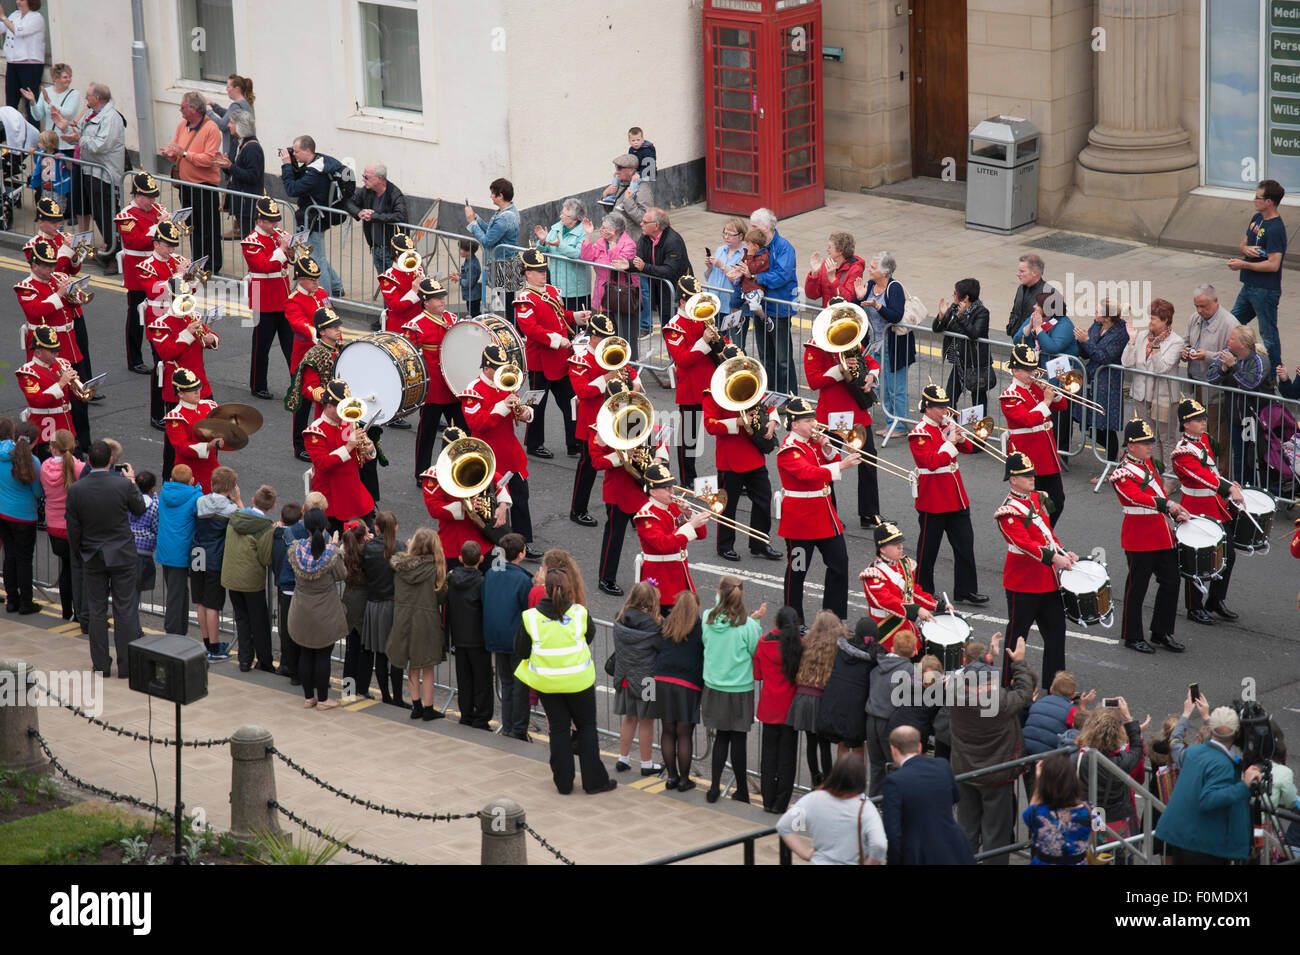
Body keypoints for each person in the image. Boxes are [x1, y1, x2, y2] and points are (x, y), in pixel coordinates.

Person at [514, 566, 616, 795]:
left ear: (545, 589)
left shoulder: (530, 617)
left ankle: (564, 783)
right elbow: (589, 636)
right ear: (568, 588)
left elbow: (520, 650)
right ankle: (594, 782)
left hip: (547, 683)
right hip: (579, 681)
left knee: (558, 729)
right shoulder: (579, 613)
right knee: (587, 728)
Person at [996, 451, 1077, 691]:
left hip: (1047, 581)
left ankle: (1056, 688)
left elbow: (1047, 535)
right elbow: (1025, 544)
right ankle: (1009, 688)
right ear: (1013, 479)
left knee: (1056, 635)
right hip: (1023, 584)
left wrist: (1063, 551)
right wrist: (1055, 558)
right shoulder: (1008, 512)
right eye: (1025, 475)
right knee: (1017, 637)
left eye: (1031, 473)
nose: (1032, 478)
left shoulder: (1035, 500)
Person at [776, 396, 861, 625]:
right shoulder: (788, 450)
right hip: (800, 521)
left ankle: (833, 619)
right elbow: (808, 474)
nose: (814, 423)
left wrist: (827, 448)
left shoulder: (812, 442)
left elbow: (825, 462)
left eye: (813, 418)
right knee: (797, 572)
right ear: (794, 424)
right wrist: (841, 465)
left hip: (824, 515)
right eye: (808, 420)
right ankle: (793, 622)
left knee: (839, 563)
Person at [1110, 417, 1190, 654]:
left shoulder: (1148, 465)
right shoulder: (1122, 473)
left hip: (1160, 533)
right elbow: (1138, 498)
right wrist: (1168, 505)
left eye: (1150, 442)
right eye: (1145, 443)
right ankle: (1132, 635)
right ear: (1131, 446)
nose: (1150, 446)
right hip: (1139, 536)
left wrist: (1173, 513)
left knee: (1171, 581)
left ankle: (1161, 631)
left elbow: (1155, 496)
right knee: (1137, 587)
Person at [65, 440, 145, 677]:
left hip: (93, 555)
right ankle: (127, 667)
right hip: (122, 553)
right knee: (126, 610)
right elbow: (139, 509)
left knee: (97, 611)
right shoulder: (123, 485)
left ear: (89, 461)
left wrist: (80, 553)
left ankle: (101, 665)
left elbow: (73, 528)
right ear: (112, 461)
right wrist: (131, 481)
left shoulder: (76, 489)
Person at [949, 634, 1030, 864]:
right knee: (996, 837)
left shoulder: (954, 694)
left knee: (966, 831)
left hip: (965, 771)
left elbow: (968, 675)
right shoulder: (1001, 703)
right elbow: (1024, 692)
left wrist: (987, 658)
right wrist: (1019, 662)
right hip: (996, 775)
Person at [803, 298, 880, 530]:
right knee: (830, 464)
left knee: (868, 462)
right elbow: (814, 381)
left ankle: (869, 513)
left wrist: (871, 376)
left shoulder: (851, 339)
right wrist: (838, 370)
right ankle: (829, 512)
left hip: (857, 414)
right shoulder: (815, 346)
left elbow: (870, 361)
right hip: (832, 415)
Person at [908, 384, 987, 604]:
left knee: (965, 544)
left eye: (945, 406)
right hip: (933, 497)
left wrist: (960, 438)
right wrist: (950, 441)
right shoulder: (919, 433)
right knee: (928, 549)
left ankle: (965, 590)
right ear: (927, 408)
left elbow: (971, 449)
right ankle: (922, 588)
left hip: (956, 495)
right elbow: (930, 463)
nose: (945, 411)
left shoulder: (946, 426)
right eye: (940, 407)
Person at [702, 344, 781, 560]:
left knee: (763, 500)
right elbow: (710, 425)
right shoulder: (713, 393)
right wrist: (736, 422)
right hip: (730, 457)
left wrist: (773, 421)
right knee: (728, 505)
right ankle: (725, 545)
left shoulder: (750, 382)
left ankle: (759, 543)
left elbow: (769, 405)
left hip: (754, 454)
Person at [1156, 705, 1262, 864]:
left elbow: (1178, 743)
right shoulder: (1222, 764)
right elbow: (1208, 799)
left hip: (1180, 838)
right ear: (1238, 734)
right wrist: (1244, 786)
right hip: (1203, 847)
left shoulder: (1192, 752)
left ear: (1211, 732)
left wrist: (1206, 718)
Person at [1172, 397, 1242, 626]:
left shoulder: (1203, 440)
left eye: (1203, 417)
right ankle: (1194, 606)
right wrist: (1227, 487)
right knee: (1197, 560)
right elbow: (1202, 477)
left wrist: (1227, 483)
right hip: (1193, 508)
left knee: (1228, 554)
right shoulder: (1182, 452)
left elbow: (1211, 470)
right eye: (1197, 419)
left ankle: (1215, 599)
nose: (1203, 421)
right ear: (1185, 424)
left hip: (1213, 505)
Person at [462, 344, 537, 555]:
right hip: (488, 457)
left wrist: (526, 413)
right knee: (494, 505)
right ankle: (500, 546)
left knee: (521, 499)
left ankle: (524, 543)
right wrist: (504, 406)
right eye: (497, 368)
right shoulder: (472, 391)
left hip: (510, 454)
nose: (502, 372)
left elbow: (518, 410)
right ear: (487, 368)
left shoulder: (504, 382)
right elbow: (477, 422)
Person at [515, 248, 589, 459]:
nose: (543, 273)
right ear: (528, 273)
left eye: (544, 270)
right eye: (538, 271)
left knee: (571, 401)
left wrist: (577, 316)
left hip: (560, 358)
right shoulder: (524, 299)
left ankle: (574, 442)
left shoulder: (552, 291)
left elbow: (561, 316)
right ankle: (534, 443)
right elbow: (531, 329)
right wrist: (557, 340)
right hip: (541, 360)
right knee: (537, 404)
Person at [701, 575, 766, 803]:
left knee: (721, 738)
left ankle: (714, 788)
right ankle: (742, 790)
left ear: (720, 594)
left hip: (714, 686)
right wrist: (756, 621)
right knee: (738, 741)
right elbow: (753, 651)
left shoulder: (707, 619)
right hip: (739, 688)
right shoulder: (748, 626)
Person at [882, 725, 976, 865]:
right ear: (919, 747)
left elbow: (893, 832)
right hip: (953, 848)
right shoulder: (942, 766)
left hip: (919, 854)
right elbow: (955, 796)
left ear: (893, 750)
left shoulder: (894, 782)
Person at [403, 278, 466, 477]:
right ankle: (422, 472)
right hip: (433, 386)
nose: (442, 301)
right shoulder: (415, 326)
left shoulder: (452, 318)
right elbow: (411, 360)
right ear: (426, 302)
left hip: (452, 384)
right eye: (437, 298)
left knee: (463, 430)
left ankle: (456, 468)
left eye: (442, 297)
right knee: (427, 432)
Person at [664, 274, 723, 487]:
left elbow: (717, 348)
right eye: (693, 299)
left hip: (713, 384)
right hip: (691, 388)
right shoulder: (674, 327)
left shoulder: (702, 317)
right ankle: (688, 479)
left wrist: (718, 341)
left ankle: (731, 475)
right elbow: (683, 359)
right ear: (682, 301)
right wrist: (704, 341)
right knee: (690, 438)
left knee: (726, 430)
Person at [777, 754, 887, 865]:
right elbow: (879, 845)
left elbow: (784, 826)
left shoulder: (813, 799)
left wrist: (804, 853)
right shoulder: (865, 807)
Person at [1001, 342, 1069, 522]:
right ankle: (1034, 541)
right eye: (1027, 370)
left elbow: (1062, 406)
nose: (1033, 374)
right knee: (1032, 505)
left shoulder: (1034, 387)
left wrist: (1053, 391)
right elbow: (1029, 420)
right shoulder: (1010, 395)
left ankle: (1045, 537)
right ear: (1015, 371)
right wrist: (1046, 401)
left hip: (1047, 455)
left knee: (1057, 501)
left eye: (1033, 369)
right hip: (1029, 455)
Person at [731, 208, 796, 394]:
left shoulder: (784, 247)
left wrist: (756, 277)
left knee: (783, 358)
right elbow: (745, 273)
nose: (750, 230)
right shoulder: (754, 247)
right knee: (765, 355)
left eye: (754, 226)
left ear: (767, 228)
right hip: (761, 309)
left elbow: (782, 276)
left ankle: (789, 397)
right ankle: (771, 395)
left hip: (778, 308)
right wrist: (738, 275)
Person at [386, 527, 449, 721]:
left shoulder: (401, 568)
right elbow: (441, 597)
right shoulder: (434, 569)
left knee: (411, 665)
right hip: (426, 621)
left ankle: (416, 706)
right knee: (427, 666)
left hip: (403, 619)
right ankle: (429, 708)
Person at [57, 83, 125, 259]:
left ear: (97, 98)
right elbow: (79, 134)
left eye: (88, 95)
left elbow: (100, 145)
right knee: (98, 214)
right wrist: (65, 129)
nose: (86, 98)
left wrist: (80, 139)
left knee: (107, 214)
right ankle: (110, 249)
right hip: (91, 171)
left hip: (105, 175)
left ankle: (115, 252)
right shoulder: (91, 113)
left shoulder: (111, 118)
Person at [288, 508, 345, 710]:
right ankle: (323, 699)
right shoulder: (331, 553)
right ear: (325, 526)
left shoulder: (296, 550)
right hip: (325, 611)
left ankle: (308, 697)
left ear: (306, 527)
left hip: (301, 609)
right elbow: (341, 574)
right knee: (323, 655)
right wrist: (335, 546)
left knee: (305, 652)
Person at [159, 92, 223, 274]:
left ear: (194, 109)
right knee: (192, 226)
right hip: (186, 185)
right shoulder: (182, 125)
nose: (180, 110)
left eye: (183, 107)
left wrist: (185, 154)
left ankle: (211, 265)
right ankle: (198, 261)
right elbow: (176, 148)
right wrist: (171, 154)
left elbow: (209, 159)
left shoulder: (211, 128)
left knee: (208, 227)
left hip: (204, 186)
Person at [632, 462, 708, 615]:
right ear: (653, 492)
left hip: (680, 574)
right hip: (661, 580)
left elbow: (702, 535)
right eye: (667, 489)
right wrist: (690, 525)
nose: (672, 492)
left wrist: (688, 514)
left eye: (672, 487)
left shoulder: (672, 505)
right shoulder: (646, 515)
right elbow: (662, 544)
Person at [853, 252, 914, 438]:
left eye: (873, 267)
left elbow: (896, 315)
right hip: (875, 345)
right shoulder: (871, 285)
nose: (869, 270)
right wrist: (859, 298)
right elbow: (858, 308)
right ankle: (890, 423)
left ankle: (901, 425)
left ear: (885, 271)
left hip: (894, 346)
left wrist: (878, 306)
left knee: (896, 387)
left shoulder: (894, 288)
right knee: (882, 385)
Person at [1227, 178, 1286, 370]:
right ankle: (1232, 362)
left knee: (1268, 335)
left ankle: (1274, 375)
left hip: (1265, 290)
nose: (1254, 200)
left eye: (1257, 197)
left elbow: (1273, 264)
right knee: (1231, 324)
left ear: (1268, 201)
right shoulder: (1257, 219)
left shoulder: (1276, 228)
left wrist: (1244, 263)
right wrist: (1246, 250)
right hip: (1249, 286)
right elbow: (1243, 243)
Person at [860, 518, 944, 652]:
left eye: (900, 542)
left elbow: (913, 592)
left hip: (908, 630)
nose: (901, 547)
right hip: (887, 637)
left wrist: (938, 605)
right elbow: (886, 601)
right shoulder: (873, 575)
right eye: (895, 544)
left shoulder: (904, 565)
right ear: (882, 549)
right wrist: (916, 610)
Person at [1072, 701, 1145, 852]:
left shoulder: (1079, 759)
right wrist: (1128, 718)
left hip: (1088, 819)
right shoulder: (1124, 761)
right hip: (1117, 822)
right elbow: (1138, 747)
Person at [305, 379, 377, 531]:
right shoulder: (315, 431)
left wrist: (368, 449)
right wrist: (349, 446)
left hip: (354, 493)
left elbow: (358, 460)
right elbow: (323, 463)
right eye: (340, 408)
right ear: (329, 406)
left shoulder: (347, 422)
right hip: (332, 499)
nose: (344, 413)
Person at [1122, 298, 1185, 470]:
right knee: (1149, 437)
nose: (1149, 321)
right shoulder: (1142, 336)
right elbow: (1126, 363)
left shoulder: (1176, 342)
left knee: (1166, 438)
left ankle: (1170, 475)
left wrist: (1156, 349)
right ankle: (1155, 471)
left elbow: (1161, 368)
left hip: (1164, 398)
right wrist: (1132, 341)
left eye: (1153, 318)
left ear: (1165, 321)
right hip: (1142, 395)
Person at [113, 172, 167, 372]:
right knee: (137, 317)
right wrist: (159, 226)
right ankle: (134, 359)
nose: (152, 201)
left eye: (154, 197)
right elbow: (136, 241)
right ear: (137, 195)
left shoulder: (156, 210)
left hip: (157, 268)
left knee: (159, 314)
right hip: (137, 271)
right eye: (148, 197)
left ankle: (161, 354)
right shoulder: (125, 216)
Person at [240, 194, 293, 398]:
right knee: (261, 348)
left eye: (275, 220)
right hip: (264, 299)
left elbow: (289, 263)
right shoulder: (250, 242)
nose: (274, 224)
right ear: (259, 220)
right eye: (270, 221)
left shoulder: (276, 235)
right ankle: (258, 385)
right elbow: (264, 265)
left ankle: (297, 385)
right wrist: (282, 249)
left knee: (291, 346)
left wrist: (291, 251)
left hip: (283, 296)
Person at [483, 533, 534, 741]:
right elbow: (528, 610)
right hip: (516, 639)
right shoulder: (524, 580)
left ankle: (507, 726)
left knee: (505, 683)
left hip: (495, 635)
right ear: (521, 554)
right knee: (520, 686)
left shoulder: (491, 573)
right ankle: (518, 729)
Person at [279, 135, 345, 297]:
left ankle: (325, 298)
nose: (294, 154)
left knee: (316, 258)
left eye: (296, 151)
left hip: (313, 219)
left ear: (307, 150)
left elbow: (292, 190)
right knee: (317, 254)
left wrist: (287, 166)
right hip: (318, 216)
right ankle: (336, 286)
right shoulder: (321, 162)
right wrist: (293, 164)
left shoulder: (314, 173)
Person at [222, 484, 277, 673]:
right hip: (251, 582)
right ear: (273, 506)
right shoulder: (265, 529)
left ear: (253, 500)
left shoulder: (235, 517)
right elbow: (265, 558)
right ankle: (264, 661)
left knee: (242, 619)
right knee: (259, 622)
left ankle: (244, 660)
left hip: (231, 577)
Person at [1183, 284, 1238, 470]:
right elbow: (1186, 341)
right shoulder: (1195, 319)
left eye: (1203, 306)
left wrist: (1206, 355)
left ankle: (1220, 477)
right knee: (1199, 434)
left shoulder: (1230, 323)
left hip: (1217, 391)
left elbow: (1232, 355)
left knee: (1217, 436)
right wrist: (1184, 351)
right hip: (1198, 385)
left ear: (1215, 302)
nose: (1199, 311)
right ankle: (1203, 472)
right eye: (1196, 306)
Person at [654, 588, 704, 792]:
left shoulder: (666, 624)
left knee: (668, 731)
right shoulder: (700, 628)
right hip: (687, 684)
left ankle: (671, 777)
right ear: (696, 607)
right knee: (684, 734)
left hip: (662, 680)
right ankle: (684, 780)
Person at [612, 581, 663, 776]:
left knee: (629, 718)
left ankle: (623, 758)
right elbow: (660, 648)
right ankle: (646, 763)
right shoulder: (655, 625)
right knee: (646, 721)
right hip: (647, 680)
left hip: (624, 676)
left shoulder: (620, 618)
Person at [1072, 297, 1130, 472]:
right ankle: (1118, 456)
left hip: (1107, 383)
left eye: (1097, 311)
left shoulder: (1121, 332)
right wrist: (1080, 340)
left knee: (1104, 425)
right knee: (1084, 420)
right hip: (1091, 380)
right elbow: (1086, 351)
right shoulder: (1097, 325)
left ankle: (1113, 462)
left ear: (1107, 316)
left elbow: (1104, 356)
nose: (1094, 313)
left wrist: (1086, 341)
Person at [1207, 324, 1268, 485]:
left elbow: (1251, 384)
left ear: (1243, 344)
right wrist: (1224, 368)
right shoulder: (1226, 355)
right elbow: (1210, 378)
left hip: (1257, 420)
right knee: (1239, 456)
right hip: (1235, 418)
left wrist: (1233, 367)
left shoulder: (1260, 361)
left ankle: (1261, 490)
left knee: (1258, 456)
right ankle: (1241, 489)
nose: (1228, 340)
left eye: (1232, 338)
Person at [786, 611, 842, 788]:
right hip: (820, 699)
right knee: (824, 744)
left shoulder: (807, 643)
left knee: (811, 743)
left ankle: (814, 778)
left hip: (803, 697)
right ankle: (828, 781)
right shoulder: (835, 648)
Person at [753, 606, 801, 812]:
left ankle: (767, 800)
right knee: (787, 759)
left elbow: (757, 675)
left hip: (769, 707)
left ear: (776, 623)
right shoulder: (798, 646)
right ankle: (781, 804)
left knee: (769, 756)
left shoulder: (763, 643)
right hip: (790, 710)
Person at [616, 207, 690, 337]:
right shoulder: (646, 238)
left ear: (656, 226)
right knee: (668, 333)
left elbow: (669, 271)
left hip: (678, 296)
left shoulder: (673, 241)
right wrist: (629, 265)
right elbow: (639, 261)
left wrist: (644, 267)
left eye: (645, 222)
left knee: (679, 336)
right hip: (661, 294)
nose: (641, 224)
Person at [284, 257, 331, 459]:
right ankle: (299, 445)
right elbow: (300, 325)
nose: (316, 283)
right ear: (300, 279)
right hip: (305, 359)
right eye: (312, 279)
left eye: (317, 279)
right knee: (302, 406)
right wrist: (322, 335)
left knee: (325, 400)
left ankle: (324, 438)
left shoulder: (321, 294)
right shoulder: (293, 300)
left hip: (325, 356)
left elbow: (330, 315)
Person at [359, 511, 407, 707]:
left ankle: (385, 696)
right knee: (395, 655)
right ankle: (397, 698)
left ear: (376, 528)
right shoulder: (400, 547)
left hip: (373, 604)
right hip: (393, 604)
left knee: (379, 654)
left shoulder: (368, 547)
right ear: (395, 527)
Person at [15, 324, 84, 456]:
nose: (56, 354)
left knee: (76, 467)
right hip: (46, 433)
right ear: (38, 352)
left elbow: (69, 396)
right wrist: (61, 383)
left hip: (67, 427)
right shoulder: (27, 373)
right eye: (52, 351)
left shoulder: (62, 364)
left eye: (56, 350)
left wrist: (77, 388)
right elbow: (37, 400)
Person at [817, 617, 879, 763]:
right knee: (858, 747)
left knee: (842, 745)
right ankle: (856, 782)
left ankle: (841, 780)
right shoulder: (874, 658)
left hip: (837, 708)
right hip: (857, 713)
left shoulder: (841, 651)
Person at [193, 465, 237, 660]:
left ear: (212, 483)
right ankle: (214, 646)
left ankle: (205, 642)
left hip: (196, 553)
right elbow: (247, 519)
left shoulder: (201, 501)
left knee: (201, 602)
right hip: (215, 556)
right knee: (213, 604)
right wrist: (238, 500)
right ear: (231, 487)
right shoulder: (231, 509)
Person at [581, 213, 641, 354]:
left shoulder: (629, 244)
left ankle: (627, 367)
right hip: (602, 297)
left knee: (623, 338)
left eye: (604, 227)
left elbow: (617, 265)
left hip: (622, 299)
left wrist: (613, 243)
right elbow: (585, 257)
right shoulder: (601, 242)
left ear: (613, 230)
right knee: (603, 338)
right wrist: (589, 236)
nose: (601, 230)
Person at [0, 421, 43, 614]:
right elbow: (37, 491)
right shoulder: (33, 462)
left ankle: (12, 600)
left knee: (9, 556)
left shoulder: (3, 453)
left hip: (4, 513)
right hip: (25, 516)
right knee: (24, 560)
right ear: (34, 442)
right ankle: (26, 602)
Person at [933, 278, 992, 415]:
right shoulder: (954, 308)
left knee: (978, 402)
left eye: (955, 293)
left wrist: (960, 317)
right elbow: (937, 328)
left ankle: (979, 434)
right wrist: (941, 316)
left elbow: (974, 333)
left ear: (965, 297)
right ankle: (953, 429)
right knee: (949, 399)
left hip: (976, 365)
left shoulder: (982, 312)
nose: (953, 295)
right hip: (960, 363)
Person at [155, 462, 202, 639]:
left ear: (172, 479)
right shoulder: (195, 496)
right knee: (176, 594)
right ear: (192, 480)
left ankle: (180, 629)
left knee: (178, 591)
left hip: (166, 550)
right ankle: (173, 631)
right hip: (182, 552)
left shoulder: (165, 493)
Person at [1022, 753, 1094, 865]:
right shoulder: (1089, 810)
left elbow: (1029, 813)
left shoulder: (1037, 813)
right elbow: (1100, 829)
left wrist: (1039, 781)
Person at [447, 540, 489, 726]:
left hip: (459, 637)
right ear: (481, 558)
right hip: (478, 638)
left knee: (464, 680)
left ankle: (466, 715)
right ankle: (481, 718)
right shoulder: (482, 583)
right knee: (482, 681)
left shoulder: (452, 579)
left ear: (459, 558)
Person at [38, 430, 80, 619]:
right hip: (73, 527)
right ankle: (80, 612)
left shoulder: (45, 466)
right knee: (78, 572)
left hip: (54, 527)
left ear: (52, 448)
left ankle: (66, 612)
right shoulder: (78, 467)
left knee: (65, 568)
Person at [464, 177, 519, 312]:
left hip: (503, 265)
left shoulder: (505, 217)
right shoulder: (506, 211)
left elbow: (487, 241)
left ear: (500, 195)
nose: (490, 196)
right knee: (503, 302)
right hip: (503, 263)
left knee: (505, 304)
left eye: (492, 193)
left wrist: (472, 223)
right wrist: (477, 218)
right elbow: (492, 231)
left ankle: (510, 328)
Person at [345, 163, 410, 276]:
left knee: (399, 284)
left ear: (379, 178)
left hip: (392, 251)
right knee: (385, 283)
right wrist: (359, 212)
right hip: (376, 248)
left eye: (367, 177)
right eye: (363, 176)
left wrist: (374, 216)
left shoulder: (394, 194)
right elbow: (349, 202)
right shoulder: (367, 190)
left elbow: (400, 215)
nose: (363, 180)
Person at [271, 498, 310, 681]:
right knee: (300, 630)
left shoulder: (279, 537)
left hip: (284, 587)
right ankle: (298, 669)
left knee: (286, 630)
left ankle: (288, 666)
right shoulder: (305, 537)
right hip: (300, 589)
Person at [532, 198, 590, 309]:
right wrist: (543, 241)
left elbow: (579, 254)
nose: (560, 216)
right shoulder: (556, 227)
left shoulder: (584, 232)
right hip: (556, 285)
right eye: (561, 213)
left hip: (575, 289)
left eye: (564, 215)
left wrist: (560, 245)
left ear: (575, 219)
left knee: (576, 322)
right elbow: (546, 250)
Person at [1023, 671, 1089, 756]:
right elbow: (1081, 728)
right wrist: (1083, 707)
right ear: (1073, 695)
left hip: (1025, 748)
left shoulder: (1038, 703)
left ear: (1051, 689)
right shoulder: (1071, 711)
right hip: (1050, 754)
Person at [703, 217, 746, 340]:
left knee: (736, 345)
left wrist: (722, 266)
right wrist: (709, 267)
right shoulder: (720, 250)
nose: (726, 237)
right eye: (725, 233)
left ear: (740, 236)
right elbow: (708, 277)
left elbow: (739, 281)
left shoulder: (744, 255)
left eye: (731, 234)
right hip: (714, 305)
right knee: (716, 343)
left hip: (732, 307)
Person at [204, 73, 254, 173]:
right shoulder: (245, 103)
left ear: (237, 88)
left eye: (228, 86)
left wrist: (207, 112)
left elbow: (223, 125)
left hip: (234, 152)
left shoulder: (237, 105)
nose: (226, 89)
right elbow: (228, 116)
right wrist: (214, 106)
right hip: (244, 149)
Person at [1, 0, 45, 114]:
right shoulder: (14, 15)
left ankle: (34, 131)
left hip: (30, 65)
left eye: (22, 0)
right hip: (12, 63)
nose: (18, 2)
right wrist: (3, 19)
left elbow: (18, 31)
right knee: (10, 103)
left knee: (31, 104)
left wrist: (3, 17)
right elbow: (2, 28)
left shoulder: (36, 18)